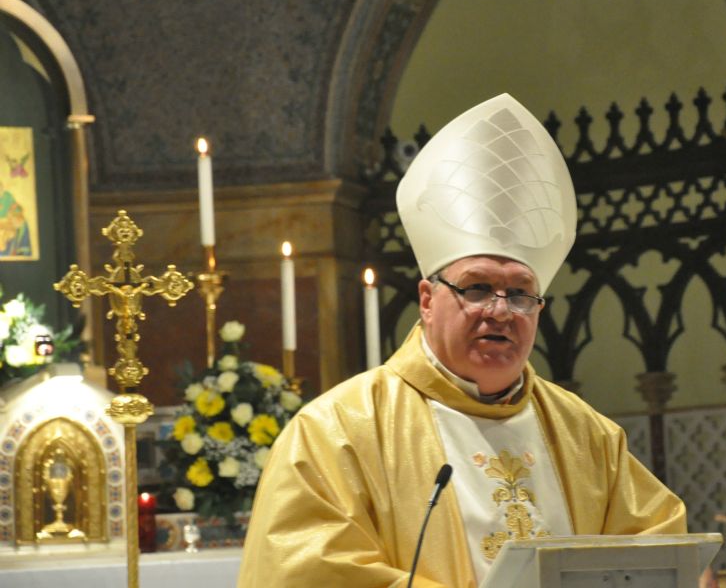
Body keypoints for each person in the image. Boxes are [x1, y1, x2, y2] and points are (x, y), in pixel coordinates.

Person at [238, 94, 688, 587]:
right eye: (477, 288)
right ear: (427, 300)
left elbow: (659, 548)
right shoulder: (335, 433)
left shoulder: (587, 436)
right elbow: (305, 573)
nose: (500, 311)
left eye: (521, 293)